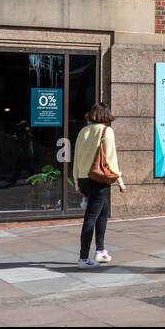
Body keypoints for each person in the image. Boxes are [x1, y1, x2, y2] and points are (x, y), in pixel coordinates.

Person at [71, 103, 126, 267]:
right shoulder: (106, 131)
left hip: (83, 178)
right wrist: (120, 182)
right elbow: (110, 159)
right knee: (91, 217)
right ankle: (83, 259)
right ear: (106, 114)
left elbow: (77, 158)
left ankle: (100, 251)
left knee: (104, 210)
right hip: (98, 179)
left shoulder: (83, 131)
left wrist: (76, 181)